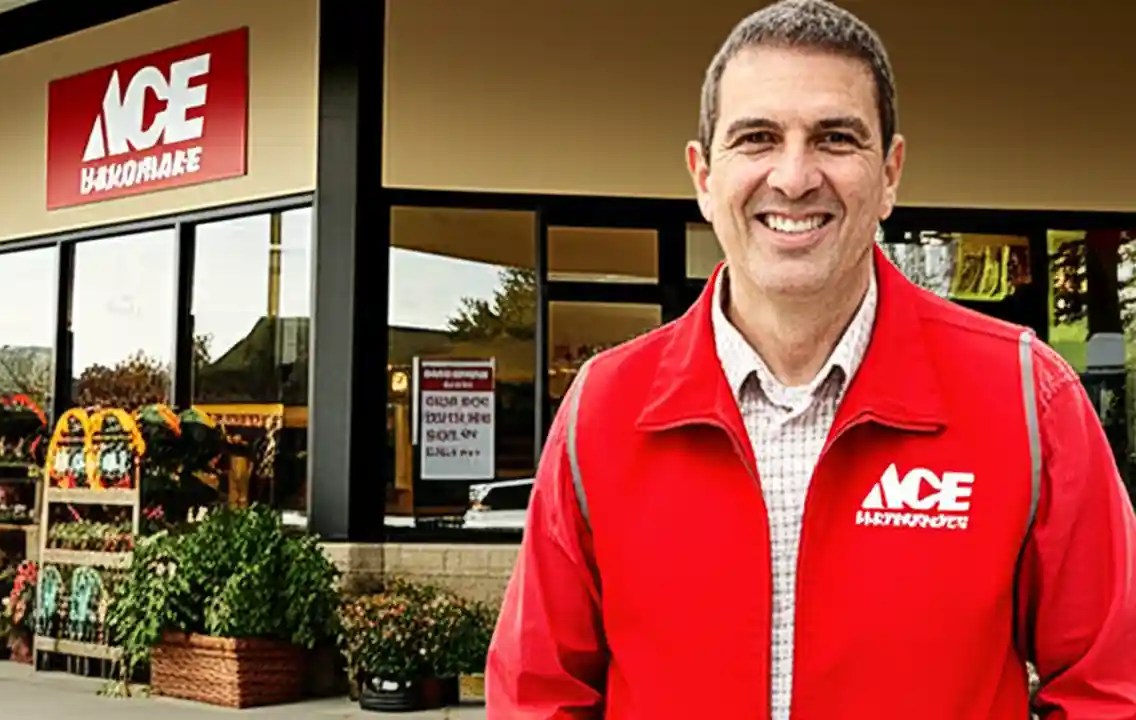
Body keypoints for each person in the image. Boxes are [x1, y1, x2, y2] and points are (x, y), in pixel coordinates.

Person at [484, 0, 1136, 717]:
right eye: (757, 138)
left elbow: (1111, 687)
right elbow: (538, 695)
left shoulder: (1025, 397)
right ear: (703, 175)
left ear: (890, 174)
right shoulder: (604, 410)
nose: (794, 177)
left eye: (835, 139)